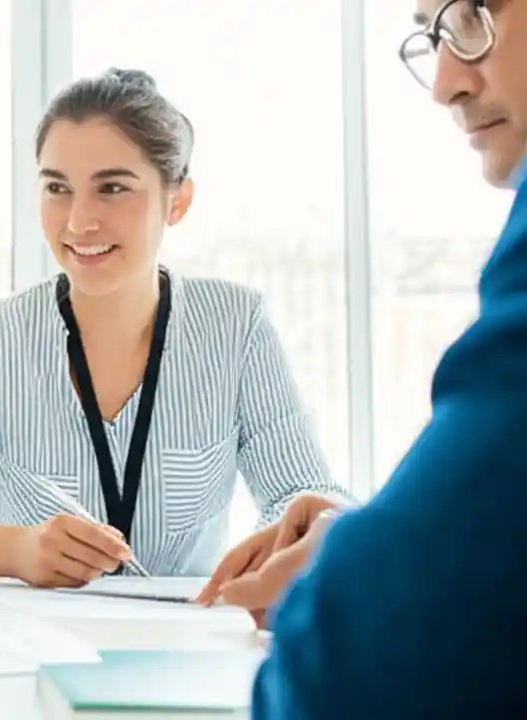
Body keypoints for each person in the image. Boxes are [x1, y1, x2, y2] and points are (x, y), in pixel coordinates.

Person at [0, 69, 351, 588]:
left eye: (112, 188)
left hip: (183, 645)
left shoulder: (235, 327)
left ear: (177, 200)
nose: (79, 221)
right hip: (26, 649)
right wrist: (16, 549)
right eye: (57, 188)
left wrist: (302, 536)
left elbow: (304, 496)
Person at [214, 0, 527, 716]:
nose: (445, 80)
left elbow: (367, 655)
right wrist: (370, 539)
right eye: (434, 36)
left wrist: (369, 561)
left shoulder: (233, 322)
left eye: (477, 12)